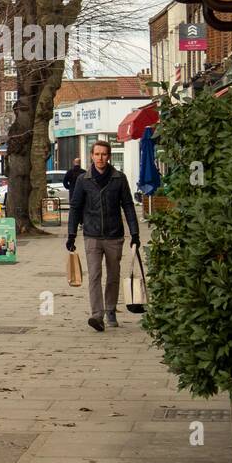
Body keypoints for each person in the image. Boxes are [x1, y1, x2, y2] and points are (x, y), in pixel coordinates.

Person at [66, 140, 140, 332]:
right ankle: (97, 315)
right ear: (91, 156)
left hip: (114, 235)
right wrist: (71, 234)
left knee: (113, 275)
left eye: (104, 154)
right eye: (97, 154)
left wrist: (135, 232)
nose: (100, 158)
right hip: (92, 235)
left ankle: (111, 310)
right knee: (94, 275)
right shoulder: (84, 180)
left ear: (109, 156)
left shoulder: (119, 178)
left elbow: (128, 206)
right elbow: (75, 207)